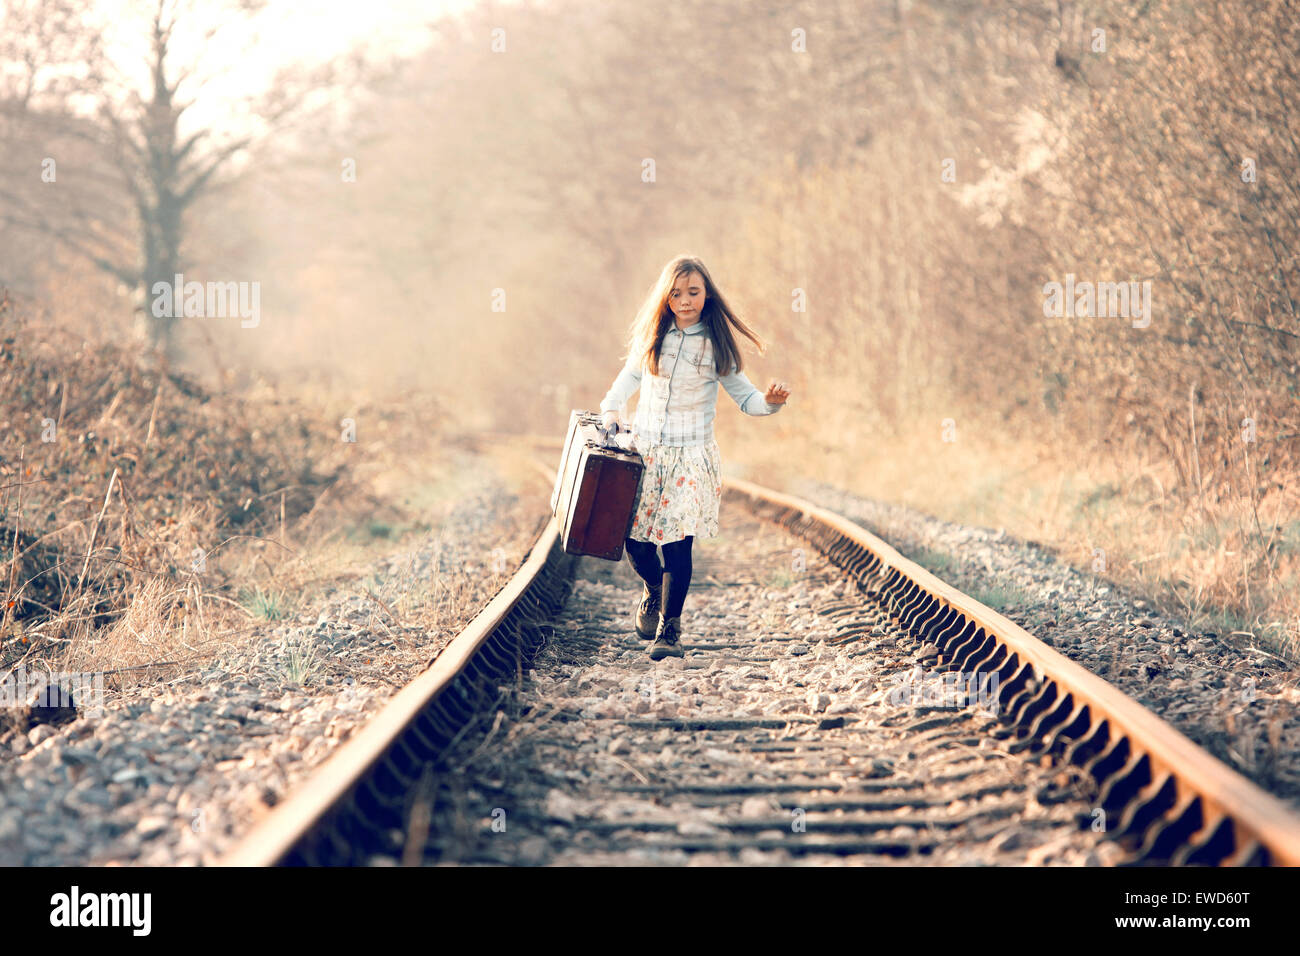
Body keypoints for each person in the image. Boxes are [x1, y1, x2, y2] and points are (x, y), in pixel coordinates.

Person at [599, 255, 791, 660]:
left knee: (678, 546)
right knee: (635, 544)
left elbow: (746, 399)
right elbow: (629, 378)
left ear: (706, 295)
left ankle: (670, 630)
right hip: (647, 453)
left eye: (694, 292)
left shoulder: (715, 344)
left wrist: (770, 403)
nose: (685, 300)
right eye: (676, 293)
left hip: (690, 458)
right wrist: (611, 408)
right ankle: (653, 589)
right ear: (665, 297)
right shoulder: (653, 336)